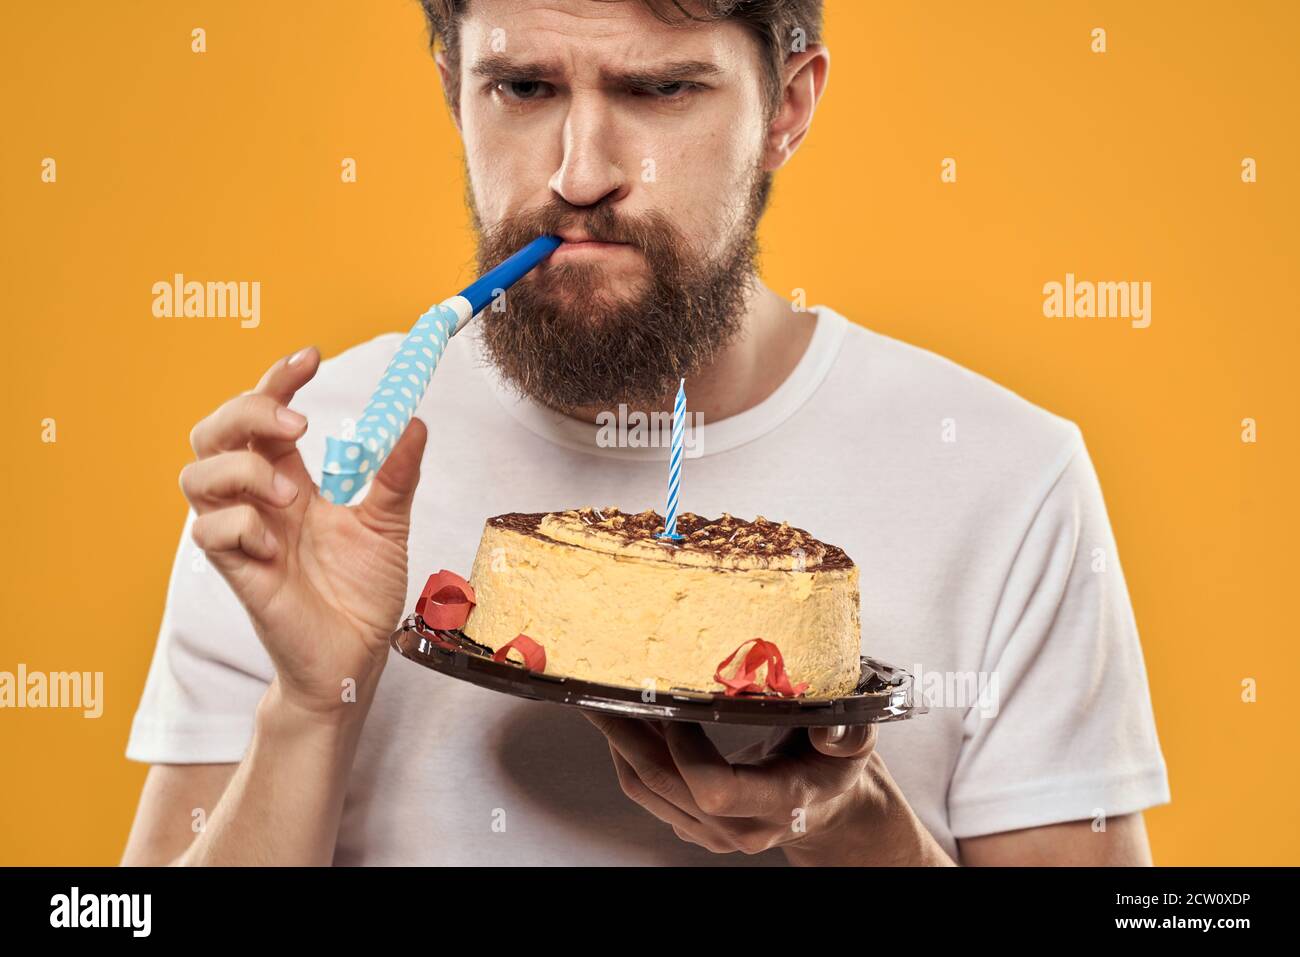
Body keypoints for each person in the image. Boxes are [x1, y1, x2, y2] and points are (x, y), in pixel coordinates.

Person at [122, 0, 1168, 866]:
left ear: (786, 109)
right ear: (455, 89)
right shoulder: (312, 468)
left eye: (660, 89)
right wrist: (310, 704)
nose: (580, 174)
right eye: (523, 87)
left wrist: (851, 828)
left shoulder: (1004, 475)